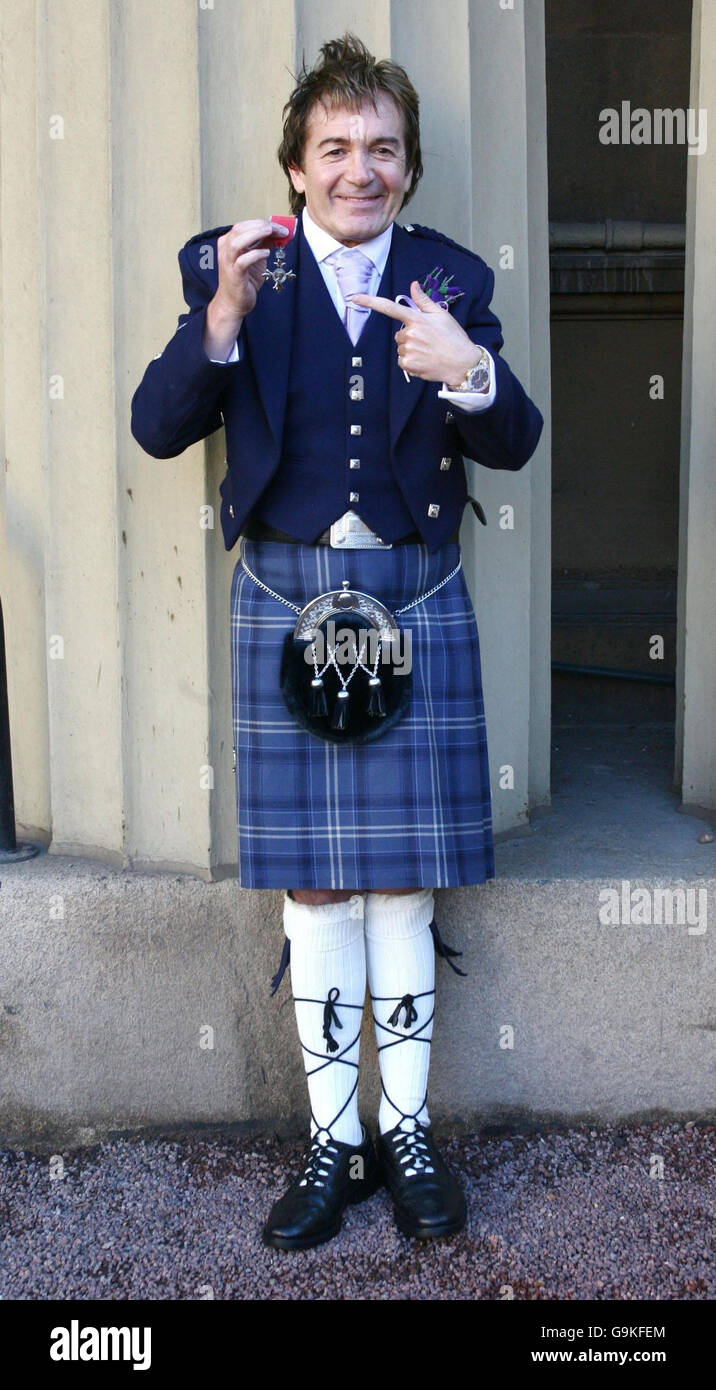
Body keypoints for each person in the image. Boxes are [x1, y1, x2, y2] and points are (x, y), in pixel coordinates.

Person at [131, 32, 543, 1251]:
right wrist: (218, 316)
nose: (359, 169)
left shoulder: (453, 279)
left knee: (401, 883)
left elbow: (514, 440)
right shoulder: (238, 270)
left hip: (411, 601)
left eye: (382, 150)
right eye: (335, 149)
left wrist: (469, 374)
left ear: (407, 171)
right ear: (297, 167)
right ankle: (333, 1141)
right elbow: (159, 430)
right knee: (316, 885)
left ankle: (406, 1131)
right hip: (283, 598)